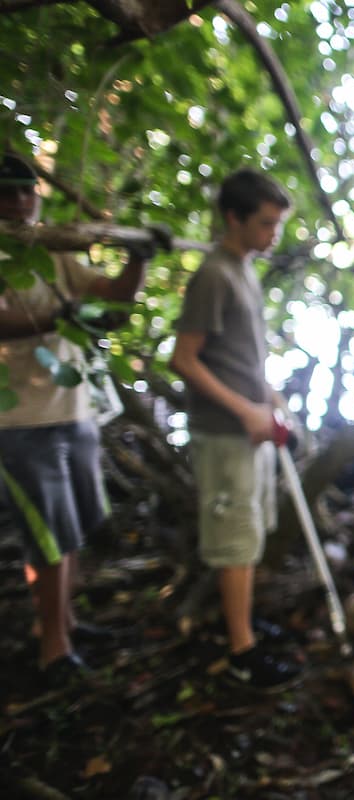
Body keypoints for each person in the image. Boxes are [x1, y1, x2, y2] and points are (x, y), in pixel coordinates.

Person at [0, 153, 151, 682]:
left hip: (74, 412)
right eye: (8, 193)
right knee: (47, 538)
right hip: (20, 424)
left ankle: (66, 623)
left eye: (27, 191)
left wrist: (138, 259)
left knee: (75, 527)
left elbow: (113, 297)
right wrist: (53, 318)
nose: (20, 202)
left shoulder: (51, 252)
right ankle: (53, 649)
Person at [169, 168, 300, 691]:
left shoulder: (244, 268)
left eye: (277, 224)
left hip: (252, 427)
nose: (274, 234)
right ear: (233, 218)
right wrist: (245, 411)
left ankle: (243, 625)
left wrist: (269, 398)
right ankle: (242, 651)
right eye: (266, 223)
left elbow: (237, 357)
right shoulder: (214, 276)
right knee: (235, 542)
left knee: (252, 530)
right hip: (225, 433)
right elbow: (184, 359)